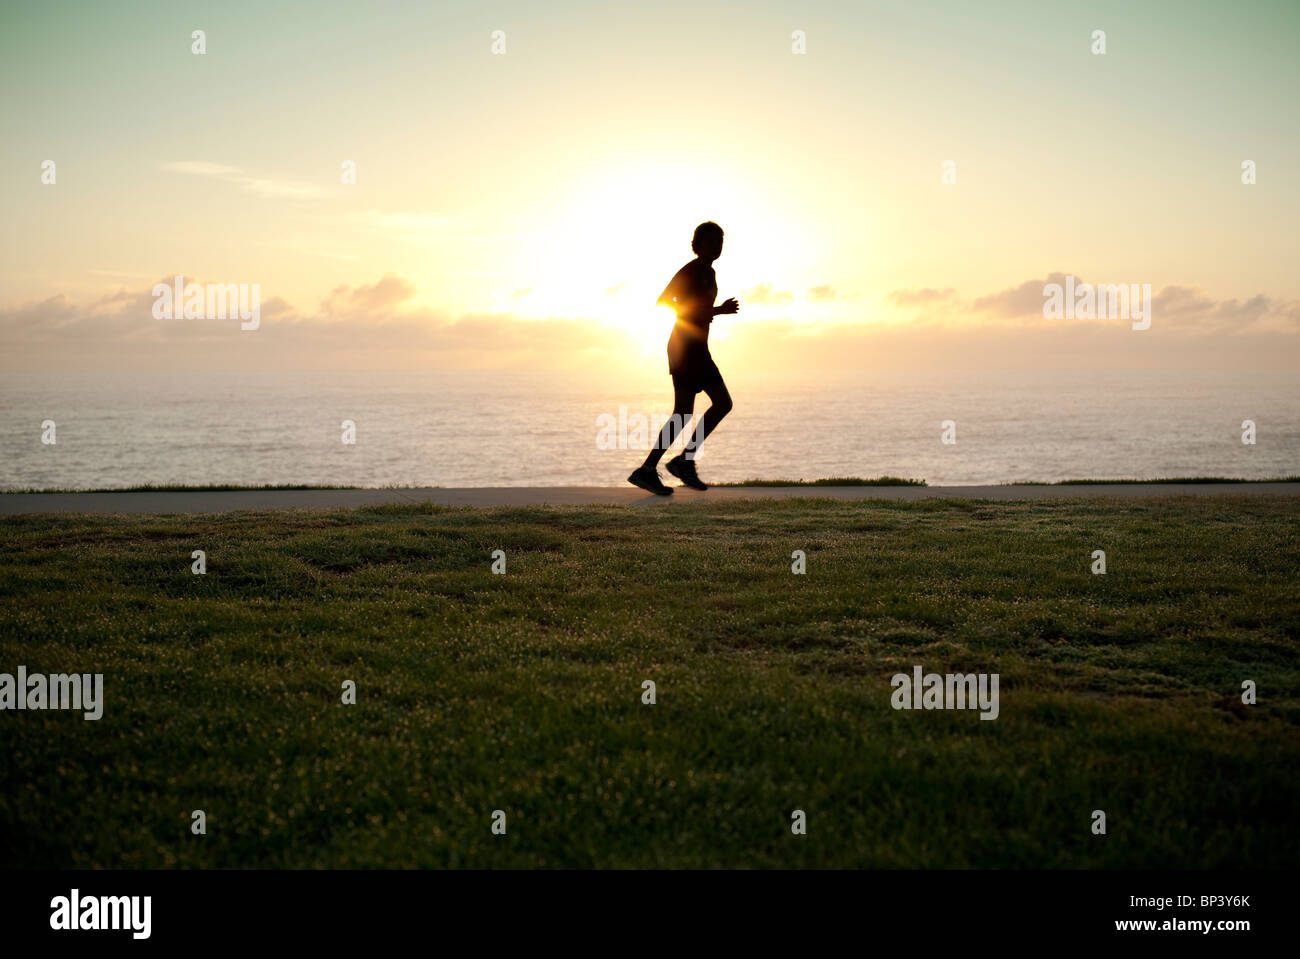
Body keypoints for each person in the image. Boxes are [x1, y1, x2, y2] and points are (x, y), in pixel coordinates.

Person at [627, 221, 738, 495]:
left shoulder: (709, 273)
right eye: (711, 241)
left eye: (720, 241)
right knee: (705, 407)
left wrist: (711, 312)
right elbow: (664, 301)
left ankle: (667, 465)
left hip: (697, 348)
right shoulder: (692, 270)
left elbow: (695, 308)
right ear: (697, 245)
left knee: (703, 408)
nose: (717, 246)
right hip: (685, 348)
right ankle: (670, 465)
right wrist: (718, 311)